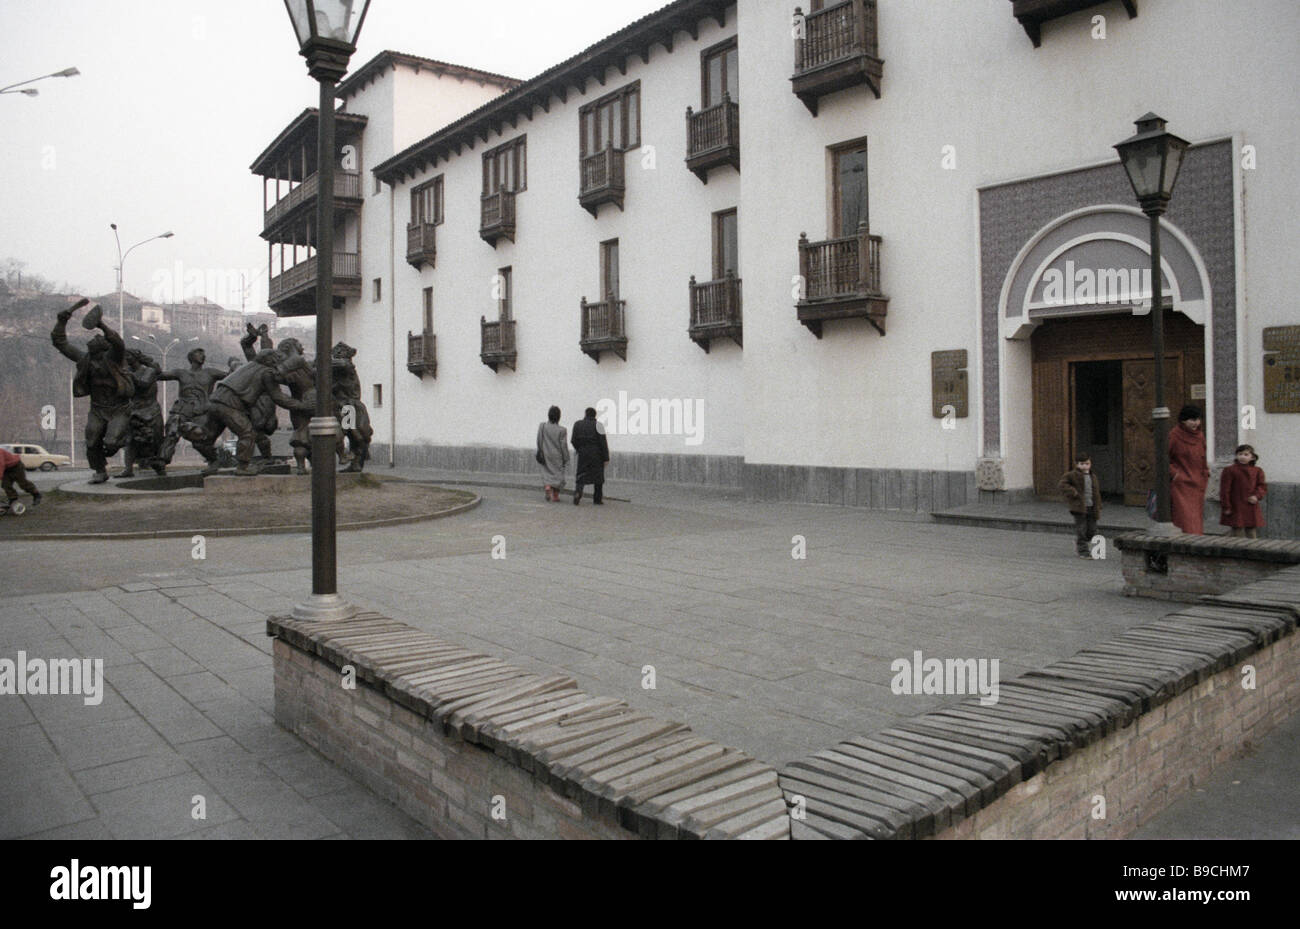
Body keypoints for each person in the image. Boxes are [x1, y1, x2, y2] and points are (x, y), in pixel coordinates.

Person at [50, 299, 134, 484]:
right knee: (91, 440)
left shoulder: (114, 359)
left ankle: (123, 440)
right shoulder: (85, 360)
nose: (94, 338)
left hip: (119, 408)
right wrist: (61, 321)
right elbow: (60, 343)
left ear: (104, 346)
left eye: (98, 338)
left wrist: (101, 324)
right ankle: (99, 470)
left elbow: (118, 344)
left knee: (111, 443)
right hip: (97, 409)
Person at [207, 349, 311, 475]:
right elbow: (278, 397)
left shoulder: (249, 365)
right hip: (230, 404)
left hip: (215, 400)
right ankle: (243, 467)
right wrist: (302, 405)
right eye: (278, 360)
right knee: (248, 433)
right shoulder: (266, 372)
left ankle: (211, 462)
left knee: (208, 436)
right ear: (271, 359)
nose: (280, 364)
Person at [156, 346, 225, 468]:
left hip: (202, 411)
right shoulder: (181, 373)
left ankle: (213, 459)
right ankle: (162, 460)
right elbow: (161, 375)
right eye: (199, 353)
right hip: (183, 409)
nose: (203, 356)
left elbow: (231, 376)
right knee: (173, 427)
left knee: (199, 438)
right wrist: (153, 367)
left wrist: (234, 365)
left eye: (203, 354)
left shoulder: (210, 372)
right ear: (191, 357)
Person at [331, 342, 373, 472]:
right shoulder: (338, 371)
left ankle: (348, 456)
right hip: (345, 405)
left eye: (340, 351)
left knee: (350, 432)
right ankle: (355, 463)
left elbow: (340, 364)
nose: (336, 354)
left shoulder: (345, 365)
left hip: (348, 406)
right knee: (352, 434)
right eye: (335, 352)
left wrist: (320, 361)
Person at [1169, 404, 1210, 534]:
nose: (1196, 423)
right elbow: (1163, 458)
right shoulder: (1174, 435)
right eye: (1192, 420)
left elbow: (1203, 456)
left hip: (1198, 483)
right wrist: (1175, 474)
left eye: (1198, 419)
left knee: (1196, 520)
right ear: (1183, 420)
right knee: (1185, 520)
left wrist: (1205, 473)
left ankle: (1196, 547)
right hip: (1181, 485)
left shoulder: (1200, 436)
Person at [1058, 453, 1103, 558]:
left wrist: (1099, 504)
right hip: (1079, 507)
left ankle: (1079, 542)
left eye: (1087, 463)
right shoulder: (1071, 475)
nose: (1085, 466)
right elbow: (1062, 484)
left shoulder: (1093, 476)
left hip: (1092, 506)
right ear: (1077, 464)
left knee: (1092, 529)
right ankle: (1083, 551)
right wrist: (1074, 492)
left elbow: (1096, 492)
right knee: (1081, 529)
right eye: (1082, 464)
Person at [1219, 444, 1267, 539]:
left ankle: (1253, 550)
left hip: (1251, 505)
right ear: (1236, 456)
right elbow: (1225, 490)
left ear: (1252, 457)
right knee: (1237, 530)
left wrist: (1256, 496)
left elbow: (1262, 486)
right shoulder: (1230, 470)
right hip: (1236, 505)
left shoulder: (1257, 471)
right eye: (1240, 454)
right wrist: (1226, 506)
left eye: (1246, 454)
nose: (1242, 457)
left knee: (1251, 530)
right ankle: (1235, 550)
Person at [571, 407, 609, 505]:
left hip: (583, 452)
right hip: (596, 454)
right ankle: (597, 499)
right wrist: (606, 458)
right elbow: (603, 443)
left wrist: (579, 449)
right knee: (598, 477)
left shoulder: (577, 424)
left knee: (581, 474)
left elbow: (573, 440)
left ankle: (578, 493)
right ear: (594, 415)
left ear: (585, 414)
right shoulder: (599, 425)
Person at [536, 405, 569, 502]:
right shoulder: (562, 430)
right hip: (557, 456)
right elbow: (563, 446)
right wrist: (566, 458)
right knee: (558, 475)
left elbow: (539, 440)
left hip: (546, 454)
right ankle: (555, 496)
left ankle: (547, 486)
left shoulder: (542, 426)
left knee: (546, 472)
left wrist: (541, 450)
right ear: (559, 416)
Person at [1, 445, 42, 513]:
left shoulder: (0, 452)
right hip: (7, 469)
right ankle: (12, 498)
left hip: (16, 466)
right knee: (5, 484)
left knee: (22, 483)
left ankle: (36, 494)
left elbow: (0, 465)